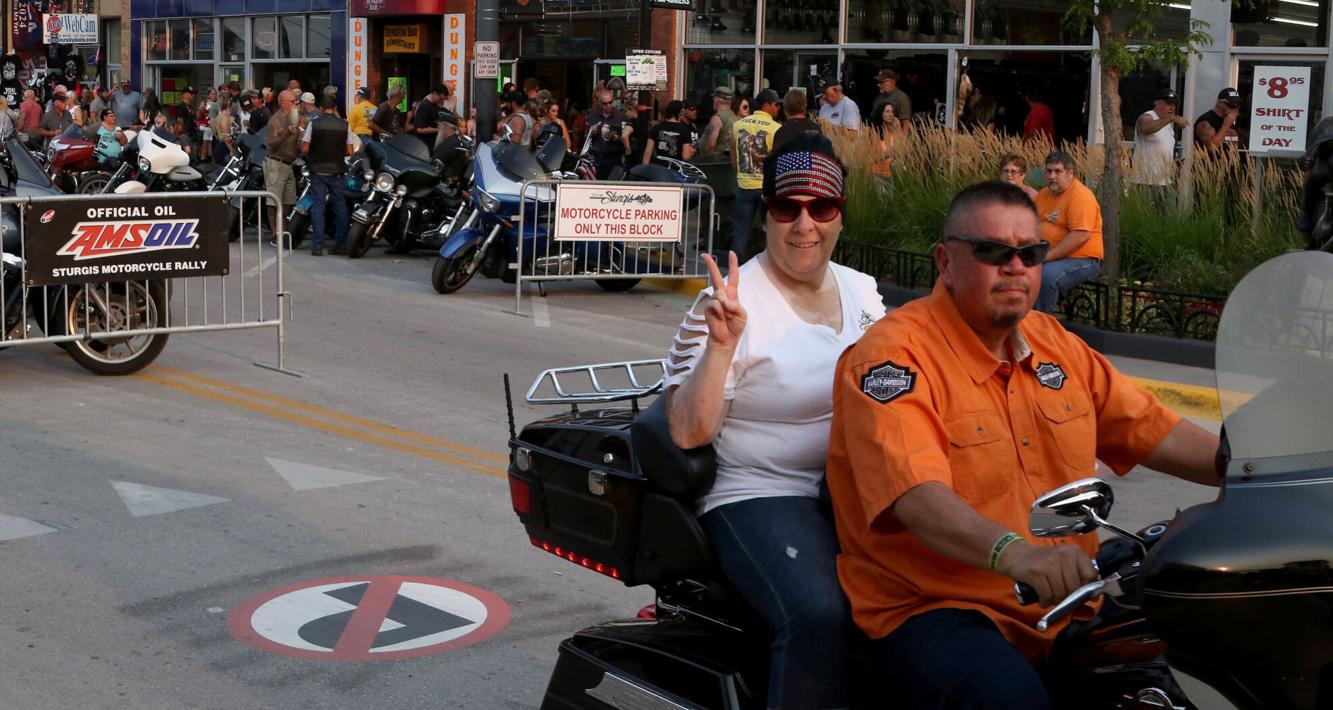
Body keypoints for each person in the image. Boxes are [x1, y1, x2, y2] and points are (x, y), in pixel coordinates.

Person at [826, 179, 1220, 710]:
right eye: (992, 251)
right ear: (945, 261)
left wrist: (1248, 468)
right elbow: (916, 497)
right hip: (936, 606)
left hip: (1065, 603)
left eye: (1030, 253)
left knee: (1189, 663)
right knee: (1011, 700)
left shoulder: (1056, 344)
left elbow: (1149, 427)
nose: (1015, 266)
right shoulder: (893, 359)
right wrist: (1015, 555)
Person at [664, 133, 886, 710]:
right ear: (766, 215)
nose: (804, 224)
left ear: (840, 215)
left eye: (821, 207)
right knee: (819, 614)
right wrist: (721, 347)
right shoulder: (731, 301)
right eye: (787, 207)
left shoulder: (862, 291)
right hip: (758, 491)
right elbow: (687, 431)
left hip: (852, 487)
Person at [1032, 151, 1103, 313]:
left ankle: (1041, 323)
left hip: (1082, 259)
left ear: (1070, 173)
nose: (1052, 176)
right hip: (1050, 255)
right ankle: (1018, 319)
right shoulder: (1043, 195)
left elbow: (1080, 236)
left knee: (1046, 275)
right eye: (1049, 171)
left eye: (1058, 171)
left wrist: (1045, 257)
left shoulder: (1080, 197)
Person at [300, 96, 356, 256]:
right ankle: (340, 245)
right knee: (340, 207)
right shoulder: (344, 125)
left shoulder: (314, 123)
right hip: (337, 170)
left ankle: (317, 246)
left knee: (318, 207)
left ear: (321, 108)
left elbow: (305, 148)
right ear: (335, 108)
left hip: (318, 170)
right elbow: (350, 151)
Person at [731, 89, 781, 263]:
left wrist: (740, 173)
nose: (778, 107)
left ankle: (736, 265)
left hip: (744, 184)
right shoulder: (776, 128)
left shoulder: (738, 124)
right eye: (776, 104)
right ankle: (767, 265)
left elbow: (733, 155)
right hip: (765, 186)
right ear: (766, 105)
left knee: (741, 228)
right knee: (770, 228)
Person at [1132, 89, 1188, 210]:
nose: (1172, 108)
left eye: (1174, 104)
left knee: (1161, 218)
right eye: (1168, 103)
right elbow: (1145, 129)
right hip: (1146, 182)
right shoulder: (1148, 116)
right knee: (1145, 216)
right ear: (1157, 103)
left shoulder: (1166, 124)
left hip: (1164, 181)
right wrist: (1171, 119)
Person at [265, 90, 304, 240]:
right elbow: (270, 144)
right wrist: (286, 134)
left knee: (289, 201)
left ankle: (284, 229)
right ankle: (275, 232)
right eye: (292, 101)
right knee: (274, 200)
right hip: (276, 163)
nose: (296, 103)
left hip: (289, 164)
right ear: (283, 103)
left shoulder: (295, 118)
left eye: (296, 101)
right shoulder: (275, 120)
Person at [584, 90, 628, 179]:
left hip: (614, 157)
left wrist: (615, 137)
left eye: (610, 102)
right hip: (597, 157)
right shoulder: (593, 115)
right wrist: (591, 132)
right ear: (600, 103)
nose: (608, 105)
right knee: (596, 183)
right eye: (605, 103)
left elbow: (627, 139)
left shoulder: (621, 116)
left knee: (613, 183)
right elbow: (585, 136)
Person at [644, 100, 696, 165]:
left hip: (658, 167)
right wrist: (692, 152)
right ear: (681, 112)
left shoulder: (657, 127)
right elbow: (686, 157)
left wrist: (645, 168)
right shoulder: (685, 130)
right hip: (675, 168)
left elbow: (647, 153)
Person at [1194, 87, 1243, 153]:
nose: (1235, 109)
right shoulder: (1205, 122)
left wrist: (1234, 136)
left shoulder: (1228, 119)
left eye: (1238, 106)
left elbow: (1234, 147)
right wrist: (1225, 126)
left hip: (1226, 159)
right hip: (1208, 159)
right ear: (1220, 103)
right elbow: (1212, 148)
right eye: (1232, 105)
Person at [432, 112, 469, 185]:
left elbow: (435, 170)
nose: (438, 128)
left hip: (444, 185)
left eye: (439, 125)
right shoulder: (460, 142)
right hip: (457, 184)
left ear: (445, 126)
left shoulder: (445, 145)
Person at [701, 86, 737, 161]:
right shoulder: (734, 117)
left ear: (717, 99)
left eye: (713, 98)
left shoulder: (717, 118)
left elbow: (711, 145)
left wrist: (706, 160)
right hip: (728, 161)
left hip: (716, 162)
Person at [413, 84, 448, 150]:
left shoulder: (434, 105)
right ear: (435, 93)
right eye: (441, 98)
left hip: (430, 145)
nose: (442, 102)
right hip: (423, 146)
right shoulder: (425, 106)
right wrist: (439, 130)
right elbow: (420, 129)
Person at [174, 87, 199, 153]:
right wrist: (183, 134)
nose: (193, 95)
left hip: (192, 135)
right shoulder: (182, 106)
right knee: (188, 154)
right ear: (185, 94)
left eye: (194, 93)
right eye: (191, 93)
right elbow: (179, 121)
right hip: (186, 135)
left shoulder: (190, 106)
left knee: (193, 154)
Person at [211, 96, 234, 164]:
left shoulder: (218, 116)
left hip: (218, 144)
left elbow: (214, 129)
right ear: (229, 106)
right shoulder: (224, 117)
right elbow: (226, 137)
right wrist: (232, 150)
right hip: (223, 147)